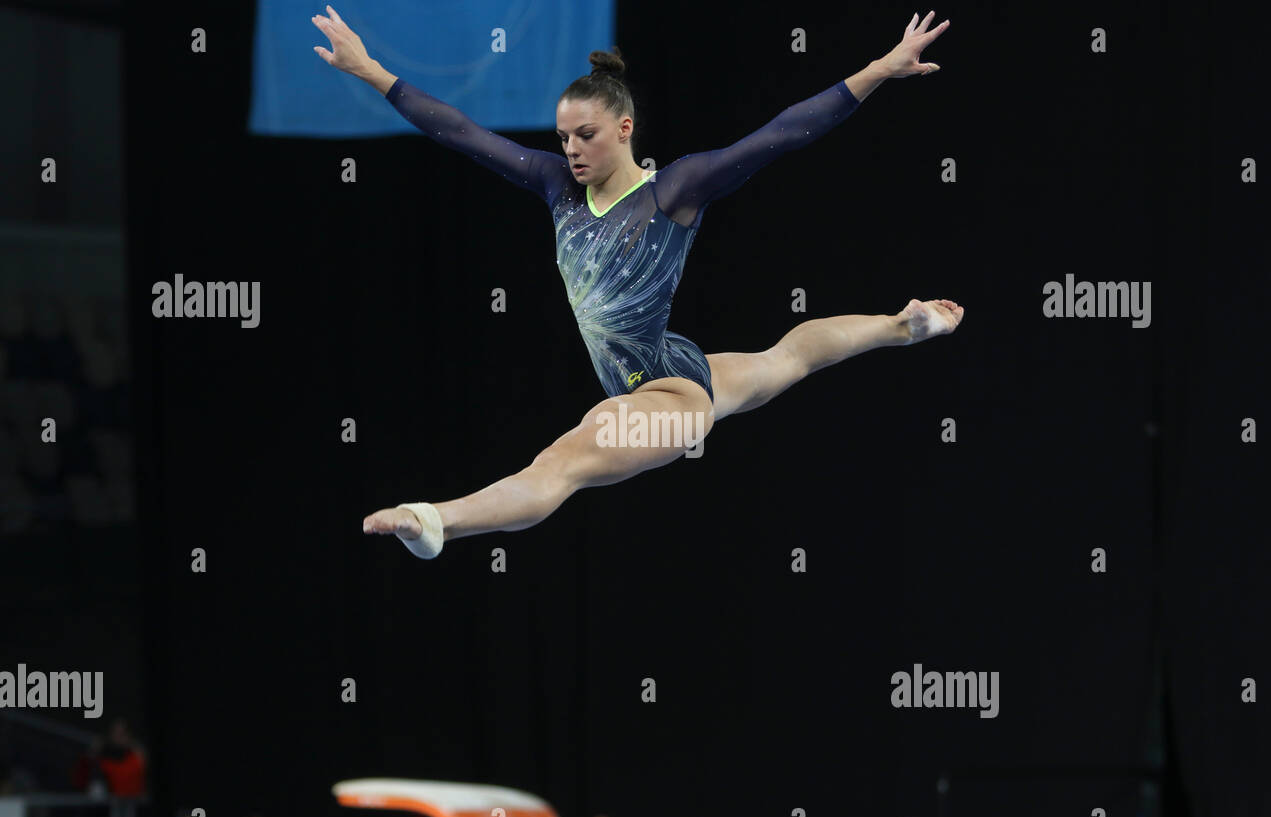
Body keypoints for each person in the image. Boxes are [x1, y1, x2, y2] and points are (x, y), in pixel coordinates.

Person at [310, 6, 962, 558]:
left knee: (559, 466)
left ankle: (436, 520)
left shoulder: (673, 192)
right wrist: (371, 70)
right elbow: (462, 132)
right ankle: (902, 325)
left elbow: (782, 134)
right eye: (563, 136)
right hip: (679, 366)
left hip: (666, 403)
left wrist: (880, 68)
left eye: (585, 134)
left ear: (624, 130)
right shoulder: (554, 187)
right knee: (786, 358)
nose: (570, 149)